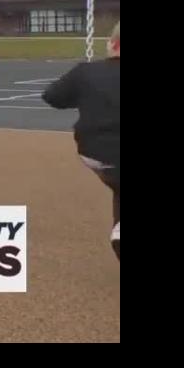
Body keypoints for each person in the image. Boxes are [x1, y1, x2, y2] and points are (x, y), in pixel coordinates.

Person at [41, 22, 120, 261]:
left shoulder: (85, 73)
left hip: (94, 153)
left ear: (113, 44)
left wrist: (85, 93)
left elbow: (52, 97)